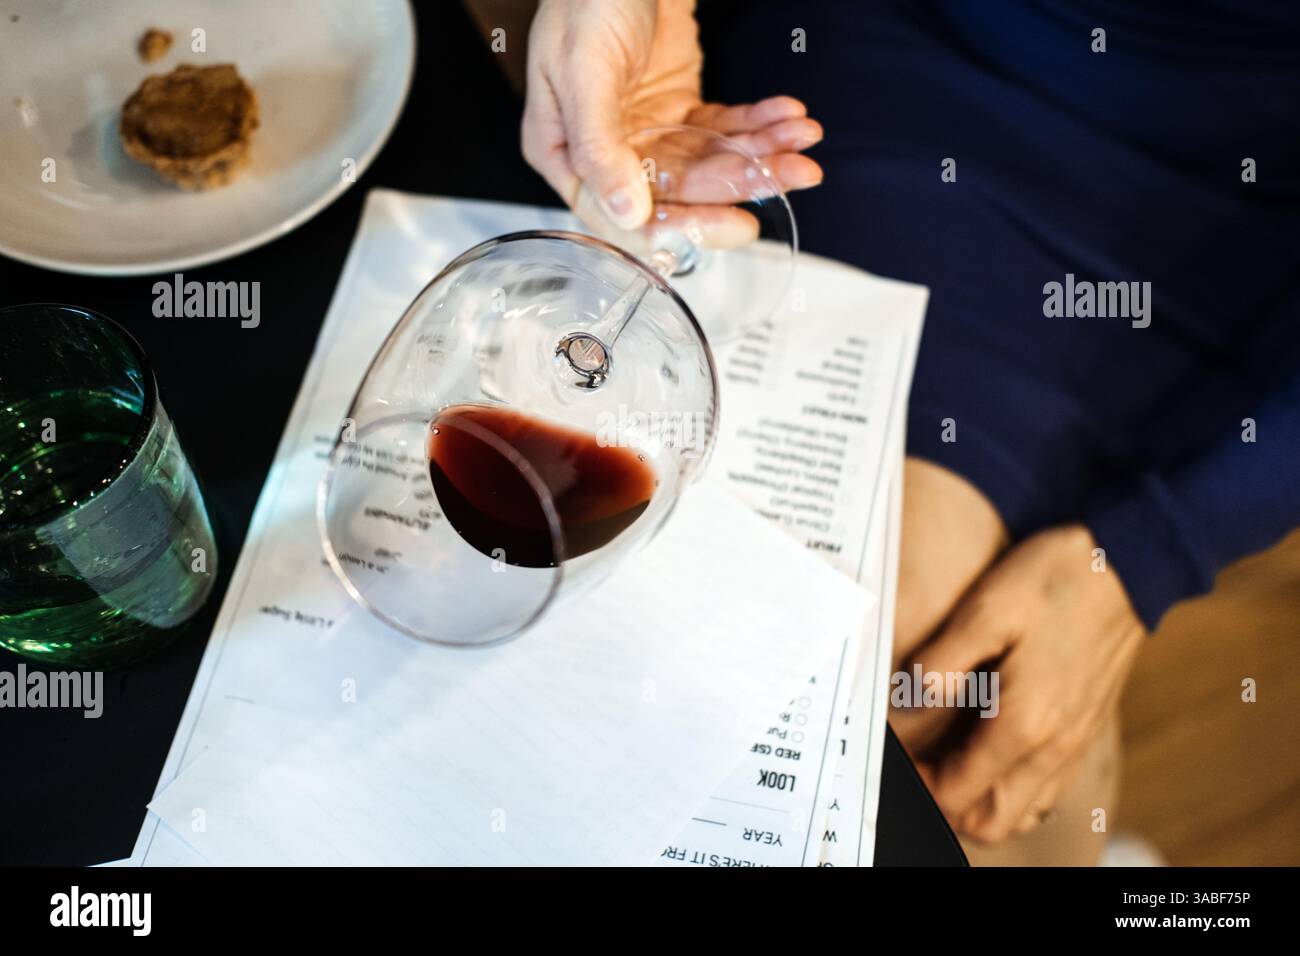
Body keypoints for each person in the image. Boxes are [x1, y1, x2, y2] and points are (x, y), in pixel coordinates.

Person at [513, 0, 1300, 864]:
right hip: (884, 66)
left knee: (917, 722)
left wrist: (1149, 552)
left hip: (1231, 205)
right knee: (777, 676)